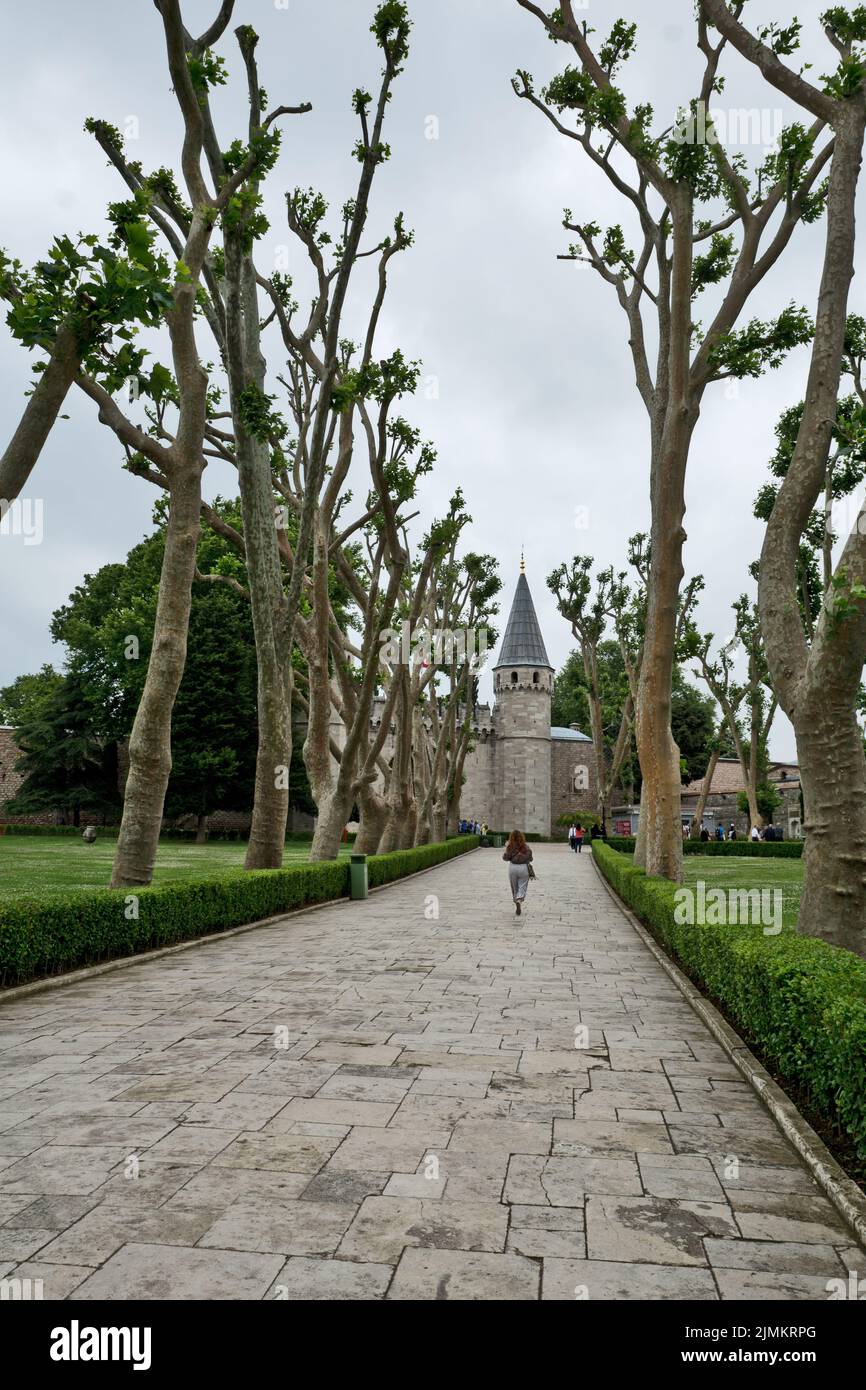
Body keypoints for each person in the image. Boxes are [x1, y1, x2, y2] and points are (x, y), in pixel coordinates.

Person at [503, 829, 533, 916]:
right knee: (522, 886)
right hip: (523, 867)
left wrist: (506, 852)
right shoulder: (526, 846)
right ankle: (520, 898)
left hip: (513, 868)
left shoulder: (510, 846)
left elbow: (505, 858)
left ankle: (517, 903)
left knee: (514, 888)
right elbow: (531, 858)